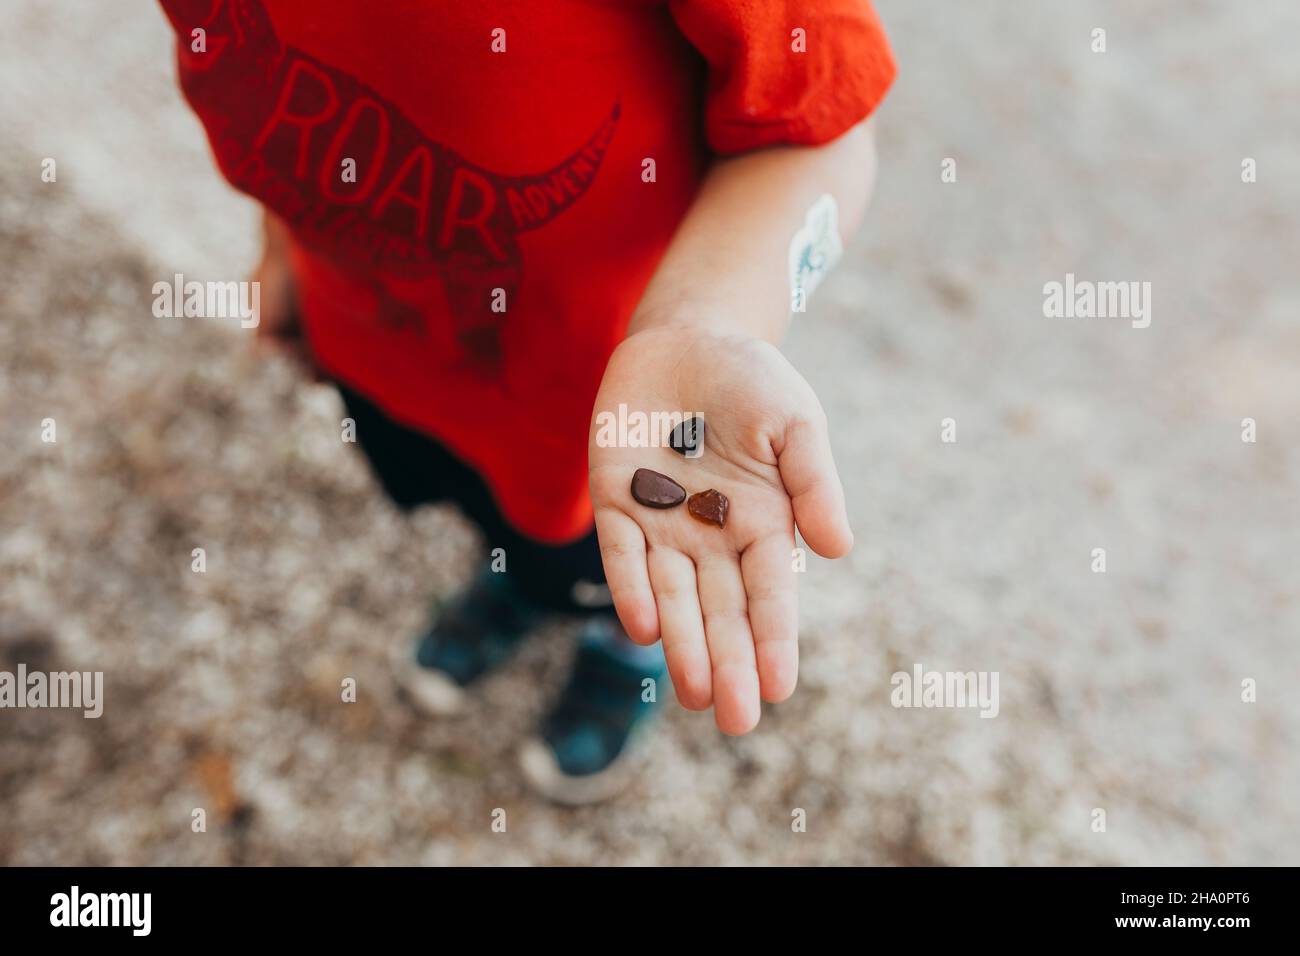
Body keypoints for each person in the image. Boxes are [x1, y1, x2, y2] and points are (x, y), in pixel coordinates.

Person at [157, 0, 896, 803]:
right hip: (381, 340)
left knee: (615, 562)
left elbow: (823, 129)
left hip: (610, 414)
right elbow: (262, 76)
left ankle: (623, 641)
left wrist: (711, 320)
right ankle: (514, 580)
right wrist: (279, 247)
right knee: (479, 503)